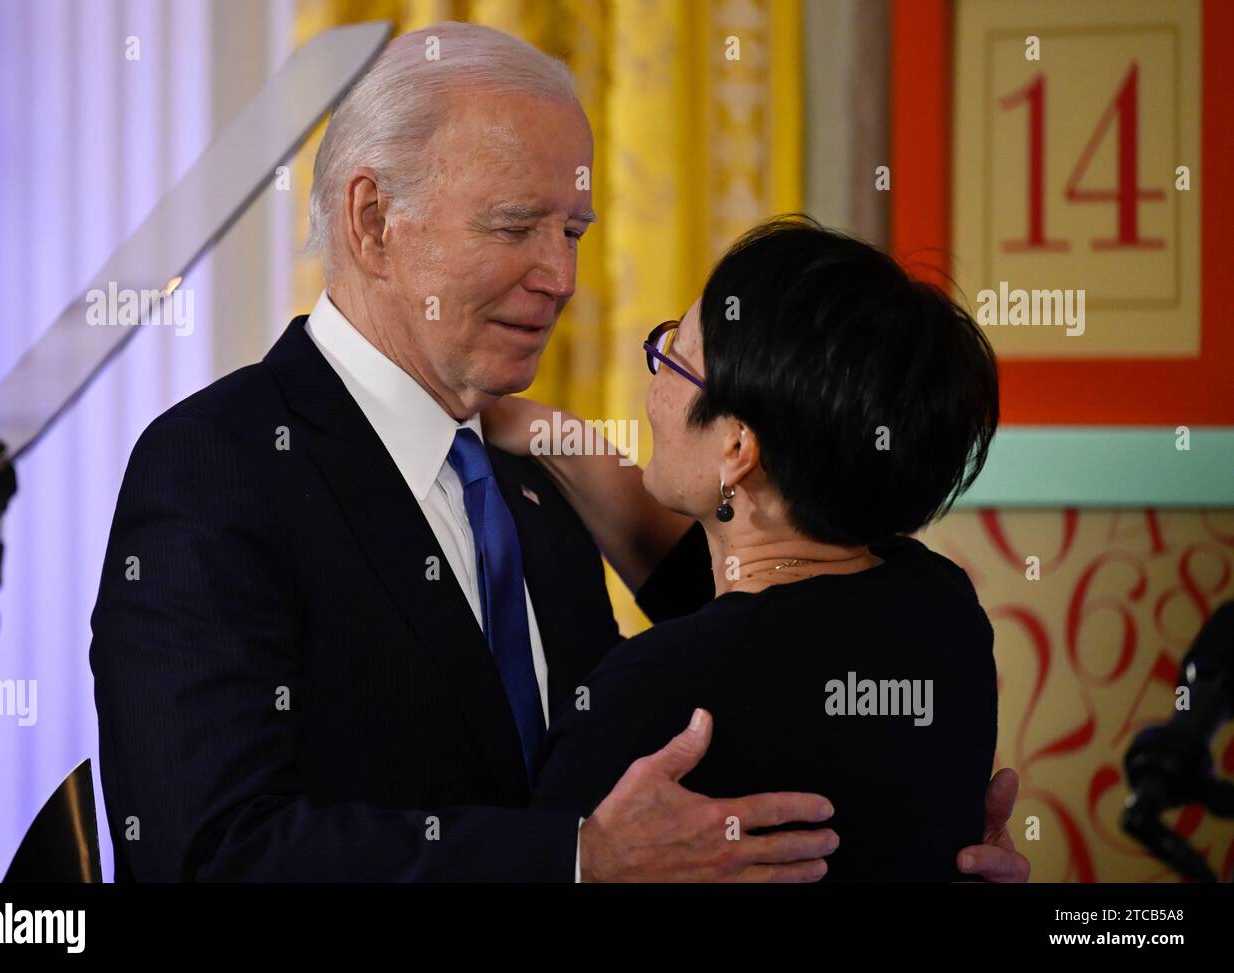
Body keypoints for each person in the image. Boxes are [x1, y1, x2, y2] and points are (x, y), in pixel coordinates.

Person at [88, 22, 1027, 882]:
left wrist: (905, 838)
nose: (562, 278)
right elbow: (205, 854)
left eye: (573, 232)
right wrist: (574, 862)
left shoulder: (530, 479)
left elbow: (745, 664)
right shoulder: (216, 470)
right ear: (374, 220)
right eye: (515, 227)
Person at [486, 215, 1014, 880]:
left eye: (674, 353)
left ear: (737, 448)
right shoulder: (941, 606)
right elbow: (746, 605)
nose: (653, 388)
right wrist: (544, 430)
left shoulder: (651, 698)